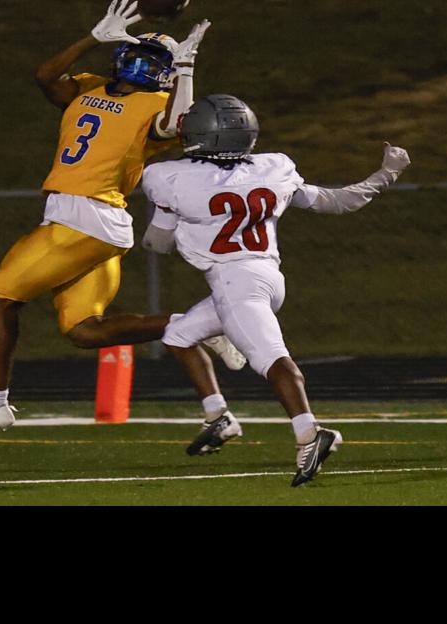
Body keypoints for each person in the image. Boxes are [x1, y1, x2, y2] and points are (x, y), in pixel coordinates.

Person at [0, 0, 236, 434]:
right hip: (86, 220)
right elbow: (44, 76)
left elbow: (175, 126)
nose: (137, 61)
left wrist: (187, 68)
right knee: (84, 331)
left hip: (86, 217)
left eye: (151, 60)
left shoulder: (158, 104)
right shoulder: (89, 87)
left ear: (167, 73)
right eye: (134, 52)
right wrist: (91, 38)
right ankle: (200, 323)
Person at [139, 94, 411, 486]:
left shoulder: (170, 177)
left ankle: (310, 433)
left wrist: (173, 220)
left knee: (272, 360)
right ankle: (220, 418)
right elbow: (336, 202)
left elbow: (157, 245)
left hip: (235, 284)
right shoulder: (274, 167)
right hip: (266, 277)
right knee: (178, 335)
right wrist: (386, 173)